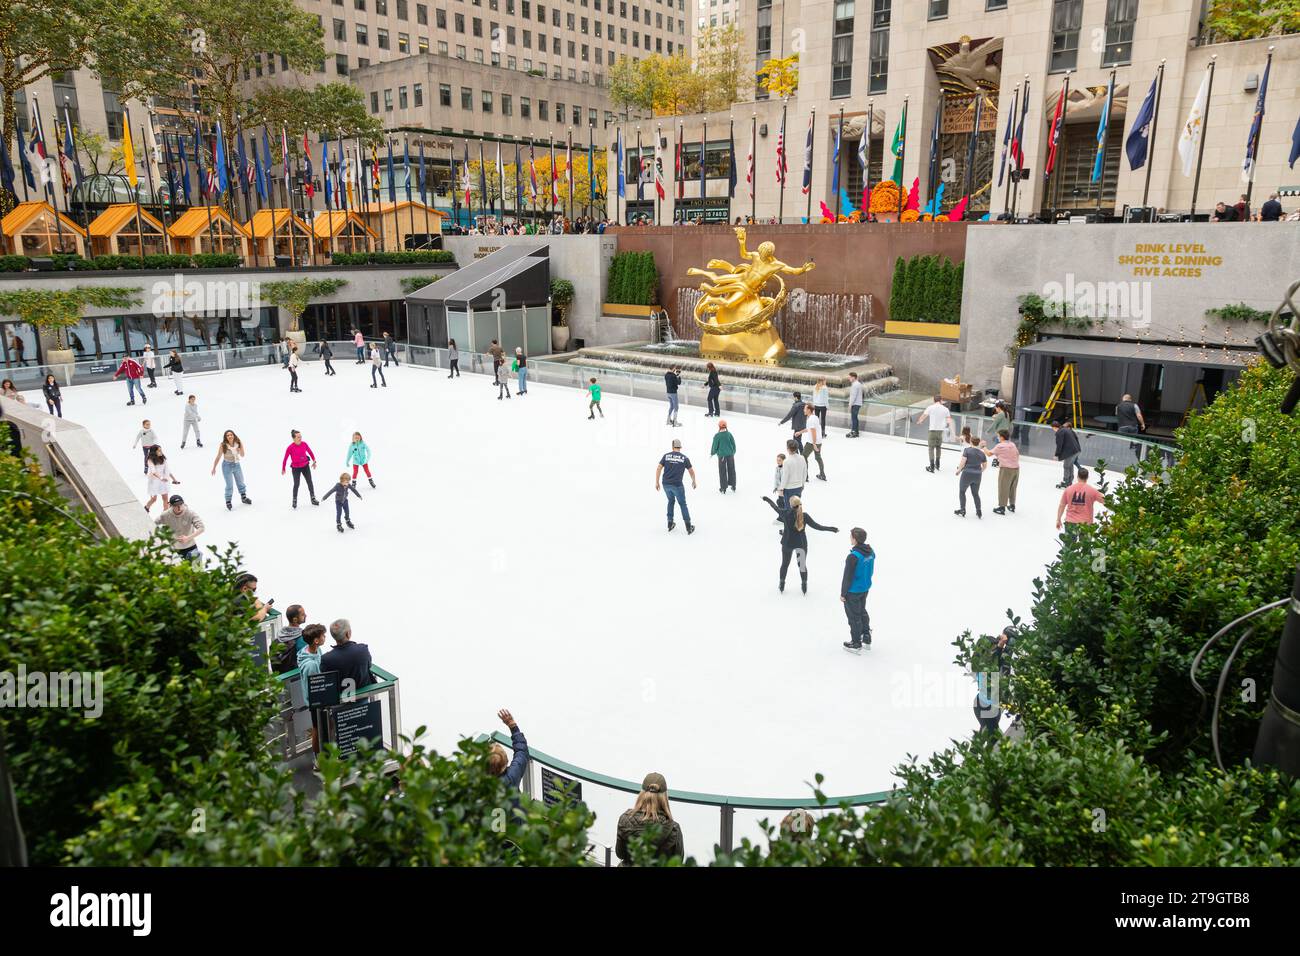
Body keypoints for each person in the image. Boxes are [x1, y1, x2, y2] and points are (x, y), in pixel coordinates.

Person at [761, 494, 837, 593]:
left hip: (787, 544)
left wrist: (766, 499)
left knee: (784, 564)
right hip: (801, 544)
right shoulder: (804, 516)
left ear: (790, 505)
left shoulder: (785, 513)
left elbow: (775, 507)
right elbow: (817, 526)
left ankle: (782, 583)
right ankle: (804, 584)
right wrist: (831, 529)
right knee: (802, 565)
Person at [615, 772, 684, 867]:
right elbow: (678, 862)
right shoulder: (674, 829)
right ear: (664, 797)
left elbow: (620, 854)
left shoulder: (624, 820)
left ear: (642, 794)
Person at [972, 626, 1015, 736]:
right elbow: (989, 664)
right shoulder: (987, 667)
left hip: (992, 704)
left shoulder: (1002, 658)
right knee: (994, 735)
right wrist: (1000, 645)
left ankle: (975, 751)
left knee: (988, 734)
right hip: (985, 701)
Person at [840, 527, 875, 651]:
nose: (850, 538)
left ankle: (856, 643)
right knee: (862, 611)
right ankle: (866, 636)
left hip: (853, 592)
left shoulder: (853, 557)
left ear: (855, 539)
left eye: (851, 537)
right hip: (865, 588)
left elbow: (847, 577)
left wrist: (843, 594)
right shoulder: (871, 552)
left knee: (854, 617)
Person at [654, 438, 696, 534]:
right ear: (680, 447)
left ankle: (670, 523)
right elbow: (691, 471)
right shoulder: (685, 458)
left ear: (672, 446)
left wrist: (657, 482)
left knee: (671, 501)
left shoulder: (666, 456)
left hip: (666, 484)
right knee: (682, 504)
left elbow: (658, 468)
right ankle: (688, 527)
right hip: (677, 485)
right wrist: (694, 481)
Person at [321, 619, 375, 693]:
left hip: (341, 700)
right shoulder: (363, 649)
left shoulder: (326, 659)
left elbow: (327, 682)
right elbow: (369, 665)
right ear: (348, 634)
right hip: (363, 697)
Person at [154, 494, 203, 563]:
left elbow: (201, 528)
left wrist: (188, 538)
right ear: (170, 506)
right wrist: (162, 537)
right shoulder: (165, 515)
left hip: (191, 546)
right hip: (174, 549)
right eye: (176, 505)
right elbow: (153, 524)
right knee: (178, 572)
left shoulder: (190, 513)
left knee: (197, 569)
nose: (179, 507)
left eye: (180, 504)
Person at [488, 708, 529, 791]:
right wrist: (512, 725)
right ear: (505, 761)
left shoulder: (479, 786)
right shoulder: (513, 775)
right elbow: (522, 752)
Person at [211, 429, 252, 510]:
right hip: (227, 466)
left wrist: (239, 449)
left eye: (231, 435)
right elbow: (218, 456)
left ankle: (243, 497)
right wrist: (214, 467)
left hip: (237, 465)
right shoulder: (223, 445)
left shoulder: (238, 443)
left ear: (234, 435)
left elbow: (243, 455)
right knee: (229, 485)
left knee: (240, 481)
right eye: (228, 435)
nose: (230, 436)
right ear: (226, 437)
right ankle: (228, 501)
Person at [1056, 467, 1105, 533]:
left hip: (1070, 522)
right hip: (1086, 524)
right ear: (1087, 477)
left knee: (1070, 543)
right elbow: (1106, 501)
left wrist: (1058, 519)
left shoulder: (1068, 489)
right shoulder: (1093, 491)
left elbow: (1062, 505)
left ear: (1077, 476)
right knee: (1085, 543)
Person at [281, 429, 319, 508]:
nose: (300, 438)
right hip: (296, 468)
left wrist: (314, 461)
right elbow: (285, 459)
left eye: (300, 436)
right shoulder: (290, 448)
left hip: (305, 466)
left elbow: (310, 452)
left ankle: (313, 498)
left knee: (309, 481)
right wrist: (283, 468)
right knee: (296, 484)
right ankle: (294, 500)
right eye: (298, 437)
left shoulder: (304, 444)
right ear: (294, 438)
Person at [954, 432, 987, 518]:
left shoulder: (967, 450)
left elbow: (962, 462)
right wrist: (980, 471)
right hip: (977, 476)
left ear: (971, 442)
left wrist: (959, 470)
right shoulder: (982, 453)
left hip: (967, 474)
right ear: (978, 443)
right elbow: (985, 466)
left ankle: (962, 509)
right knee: (975, 493)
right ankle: (978, 511)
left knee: (962, 491)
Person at [989, 429, 1020, 516]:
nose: (998, 438)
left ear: (1002, 437)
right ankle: (1012, 505)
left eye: (998, 436)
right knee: (1012, 487)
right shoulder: (1012, 444)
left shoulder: (1000, 446)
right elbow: (1017, 454)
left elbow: (989, 454)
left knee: (1003, 487)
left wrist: (983, 447)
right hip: (1016, 469)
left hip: (1006, 469)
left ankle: (1002, 507)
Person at [917, 396, 951, 473]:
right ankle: (937, 464)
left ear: (934, 400)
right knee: (938, 447)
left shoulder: (930, 407)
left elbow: (924, 415)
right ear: (941, 400)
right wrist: (947, 426)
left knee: (931, 448)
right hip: (940, 431)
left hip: (932, 430)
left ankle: (932, 466)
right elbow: (948, 420)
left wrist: (920, 421)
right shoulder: (945, 409)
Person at [272, 604, 308, 673]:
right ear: (295, 620)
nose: (306, 615)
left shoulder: (278, 639)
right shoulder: (303, 640)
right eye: (303, 615)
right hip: (297, 676)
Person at [797, 403, 827, 482]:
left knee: (803, 457)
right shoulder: (814, 417)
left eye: (805, 409)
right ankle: (822, 474)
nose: (804, 410)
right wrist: (800, 432)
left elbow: (813, 431)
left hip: (812, 442)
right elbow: (809, 429)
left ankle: (805, 476)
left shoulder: (811, 419)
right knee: (818, 457)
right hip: (818, 441)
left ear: (809, 410)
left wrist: (814, 444)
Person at [145, 447, 180, 513]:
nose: (161, 452)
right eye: (159, 451)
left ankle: (165, 514)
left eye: (161, 450)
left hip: (163, 481)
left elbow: (168, 470)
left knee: (165, 498)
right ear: (154, 452)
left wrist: (174, 479)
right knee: (154, 499)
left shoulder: (163, 459)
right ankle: (146, 507)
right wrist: (161, 478)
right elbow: (153, 471)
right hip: (154, 481)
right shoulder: (150, 460)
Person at [778, 438, 807, 513]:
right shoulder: (802, 458)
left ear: (788, 449)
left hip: (789, 488)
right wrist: (802, 484)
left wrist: (781, 488)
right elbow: (805, 472)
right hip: (799, 487)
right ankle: (797, 522)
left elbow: (785, 477)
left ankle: (790, 523)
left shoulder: (786, 461)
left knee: (789, 508)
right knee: (797, 506)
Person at [710, 419, 737, 494]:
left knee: (722, 471)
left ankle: (723, 488)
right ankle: (733, 485)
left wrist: (712, 452)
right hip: (730, 455)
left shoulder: (717, 436)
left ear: (719, 427)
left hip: (722, 456)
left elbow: (714, 446)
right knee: (732, 469)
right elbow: (734, 444)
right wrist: (733, 452)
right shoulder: (729, 434)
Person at [1051, 420, 1081, 488]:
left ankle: (1066, 482)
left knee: (1066, 466)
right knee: (1070, 465)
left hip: (1071, 452)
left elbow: (1059, 445)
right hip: (1076, 450)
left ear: (1054, 427)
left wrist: (1056, 455)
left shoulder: (1060, 432)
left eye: (1053, 428)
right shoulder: (1066, 430)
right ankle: (1070, 480)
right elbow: (1076, 438)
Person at [847, 372, 863, 437]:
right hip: (858, 403)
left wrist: (850, 405)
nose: (849, 379)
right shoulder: (858, 384)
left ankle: (854, 432)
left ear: (853, 377)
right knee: (855, 418)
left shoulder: (855, 385)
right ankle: (856, 432)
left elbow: (853, 396)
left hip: (855, 404)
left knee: (854, 418)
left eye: (850, 377)